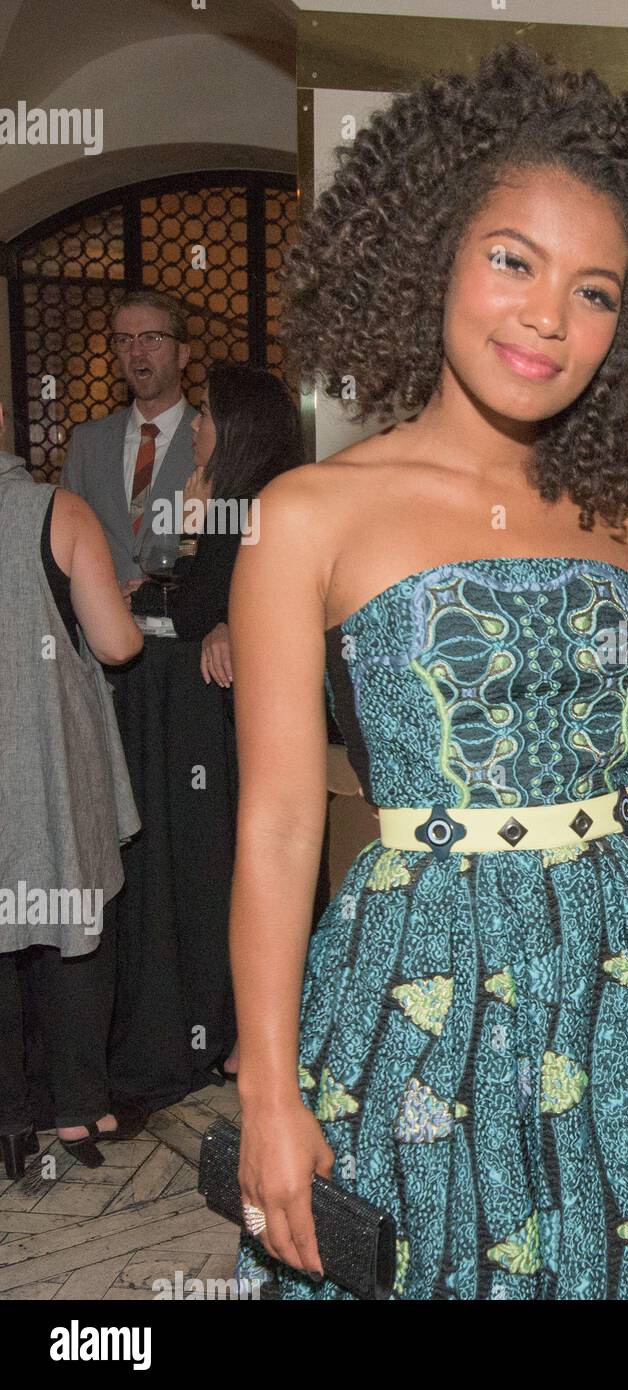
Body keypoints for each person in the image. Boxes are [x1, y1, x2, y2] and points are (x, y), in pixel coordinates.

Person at [230, 44, 628, 1300]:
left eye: (597, 291)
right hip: (414, 993)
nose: (551, 318)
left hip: (622, 995)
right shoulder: (308, 513)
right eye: (515, 260)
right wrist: (266, 1089)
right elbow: (283, 826)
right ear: (435, 254)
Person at [60, 289, 239, 1111]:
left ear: (181, 350)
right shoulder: (90, 444)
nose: (137, 353)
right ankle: (133, 1009)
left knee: (185, 835)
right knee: (122, 834)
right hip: (112, 671)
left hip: (187, 671)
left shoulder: (217, 436)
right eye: (124, 339)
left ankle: (199, 1019)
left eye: (153, 338)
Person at [129, 362, 312, 1086]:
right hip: (220, 716)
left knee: (242, 866)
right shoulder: (229, 494)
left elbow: (190, 606)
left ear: (237, 429)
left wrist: (215, 611)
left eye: (204, 416)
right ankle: (236, 1029)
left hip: (256, 725)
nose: (195, 427)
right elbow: (173, 583)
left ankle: (253, 1036)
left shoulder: (263, 501)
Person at [0, 400, 149, 1175]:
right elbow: (120, 646)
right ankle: (76, 1110)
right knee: (70, 917)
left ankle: (7, 1116)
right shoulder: (59, 512)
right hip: (50, 758)